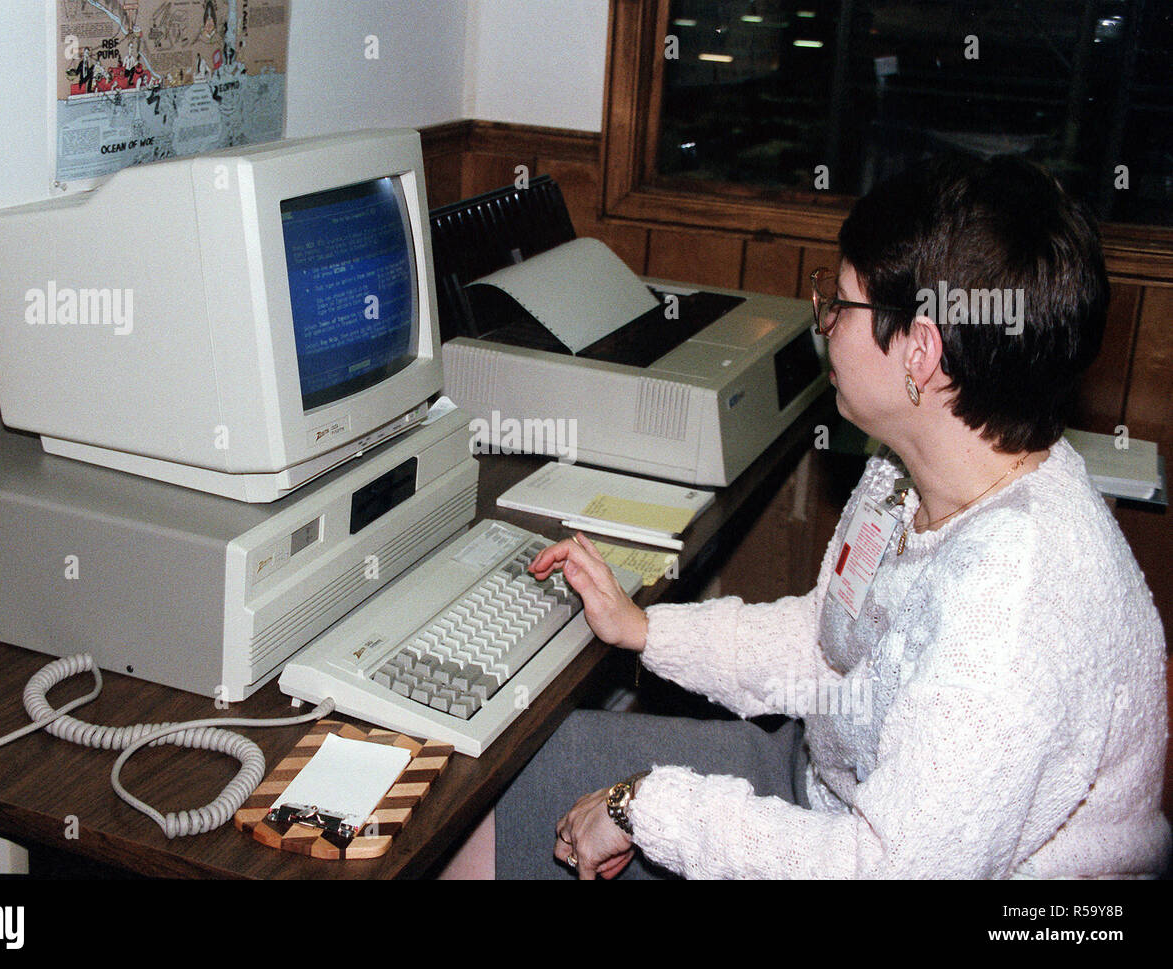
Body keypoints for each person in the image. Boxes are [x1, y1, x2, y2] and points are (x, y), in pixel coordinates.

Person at [488, 154, 1171, 879]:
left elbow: (884, 872)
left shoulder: (1015, 609)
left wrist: (644, 809)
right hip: (831, 787)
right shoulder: (910, 468)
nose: (824, 322)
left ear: (923, 353)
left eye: (840, 303)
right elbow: (828, 645)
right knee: (531, 770)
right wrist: (647, 630)